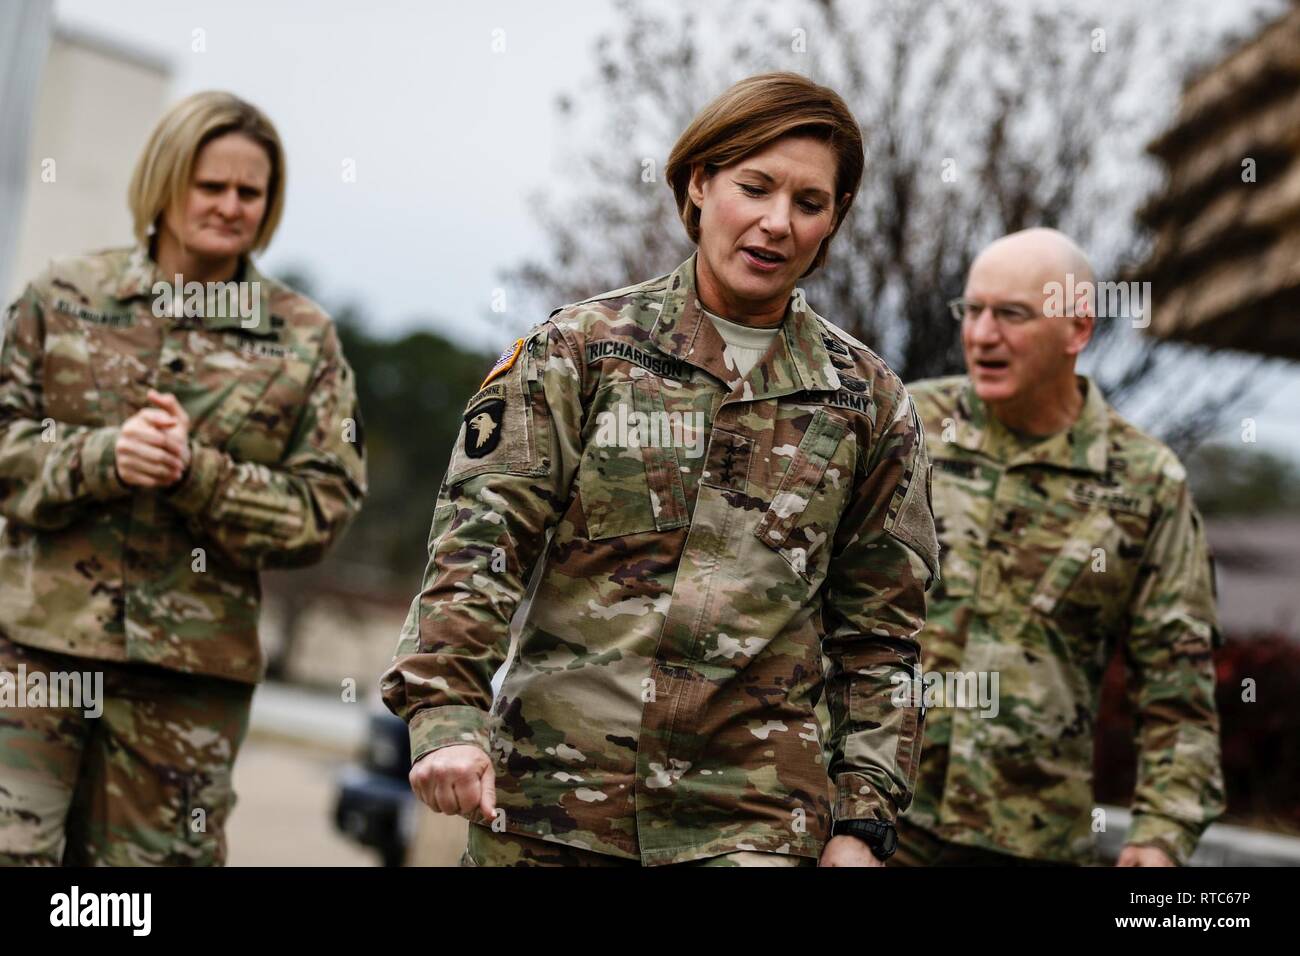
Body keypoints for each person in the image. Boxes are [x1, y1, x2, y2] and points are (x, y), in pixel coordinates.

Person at [381, 72, 938, 868]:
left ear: (835, 220)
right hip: (552, 807)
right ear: (700, 181)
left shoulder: (870, 405)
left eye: (809, 204)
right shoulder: (578, 352)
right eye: (755, 187)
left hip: (749, 822)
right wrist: (445, 718)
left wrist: (863, 823)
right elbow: (479, 546)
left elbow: (880, 637)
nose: (776, 223)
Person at [0, 91, 367, 866]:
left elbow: (324, 509)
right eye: (212, 186)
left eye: (251, 192)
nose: (231, 207)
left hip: (187, 681)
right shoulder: (63, 297)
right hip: (33, 657)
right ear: (167, 182)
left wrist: (197, 475)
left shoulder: (305, 341)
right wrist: (103, 457)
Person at [896, 228, 1224, 867]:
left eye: (1012, 314)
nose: (982, 335)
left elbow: (1176, 683)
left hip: (1029, 842)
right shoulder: (904, 426)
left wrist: (1161, 835)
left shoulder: (1145, 482)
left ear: (1078, 330)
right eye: (974, 310)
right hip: (874, 826)